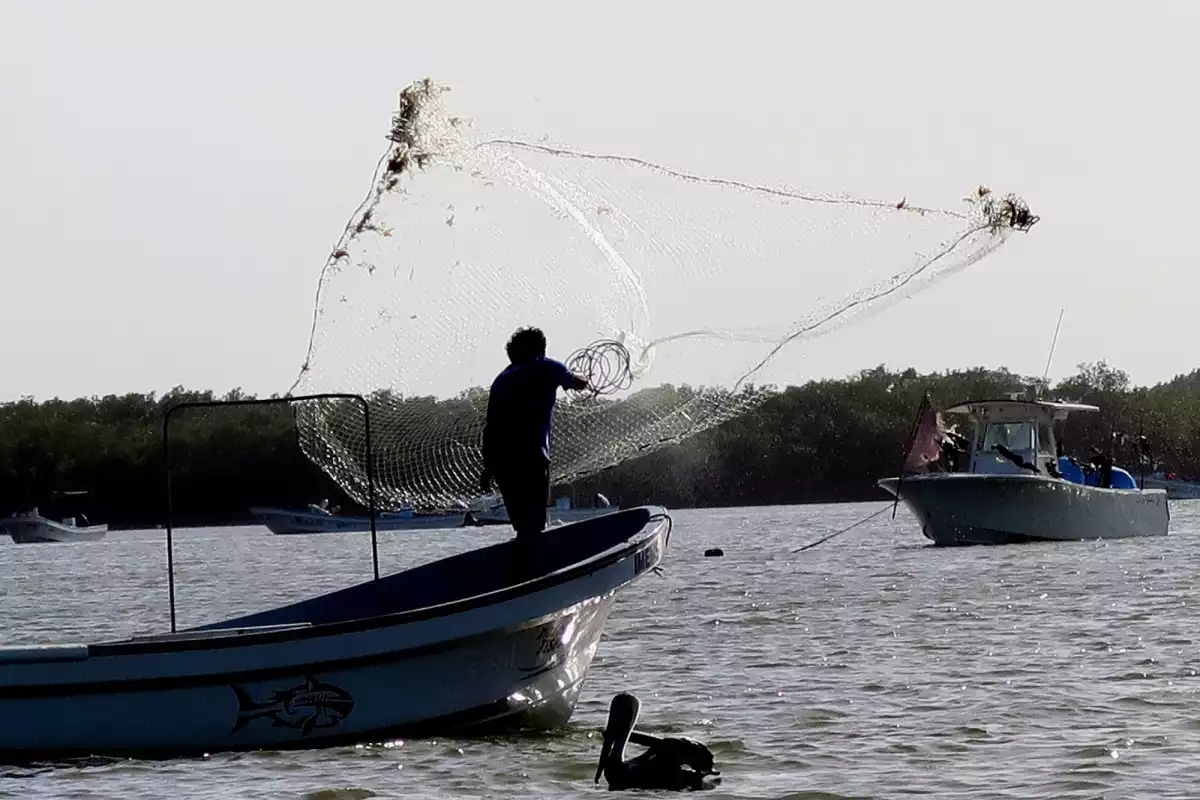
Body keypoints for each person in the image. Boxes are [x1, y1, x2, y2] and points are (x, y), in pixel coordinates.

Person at [479, 327, 589, 540]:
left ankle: (522, 563)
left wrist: (489, 467)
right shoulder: (547, 367)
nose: (509, 349)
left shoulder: (502, 378)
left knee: (523, 525)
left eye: (513, 346)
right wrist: (580, 373)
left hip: (503, 463)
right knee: (534, 525)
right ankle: (532, 565)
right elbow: (579, 383)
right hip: (532, 458)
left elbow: (490, 427)